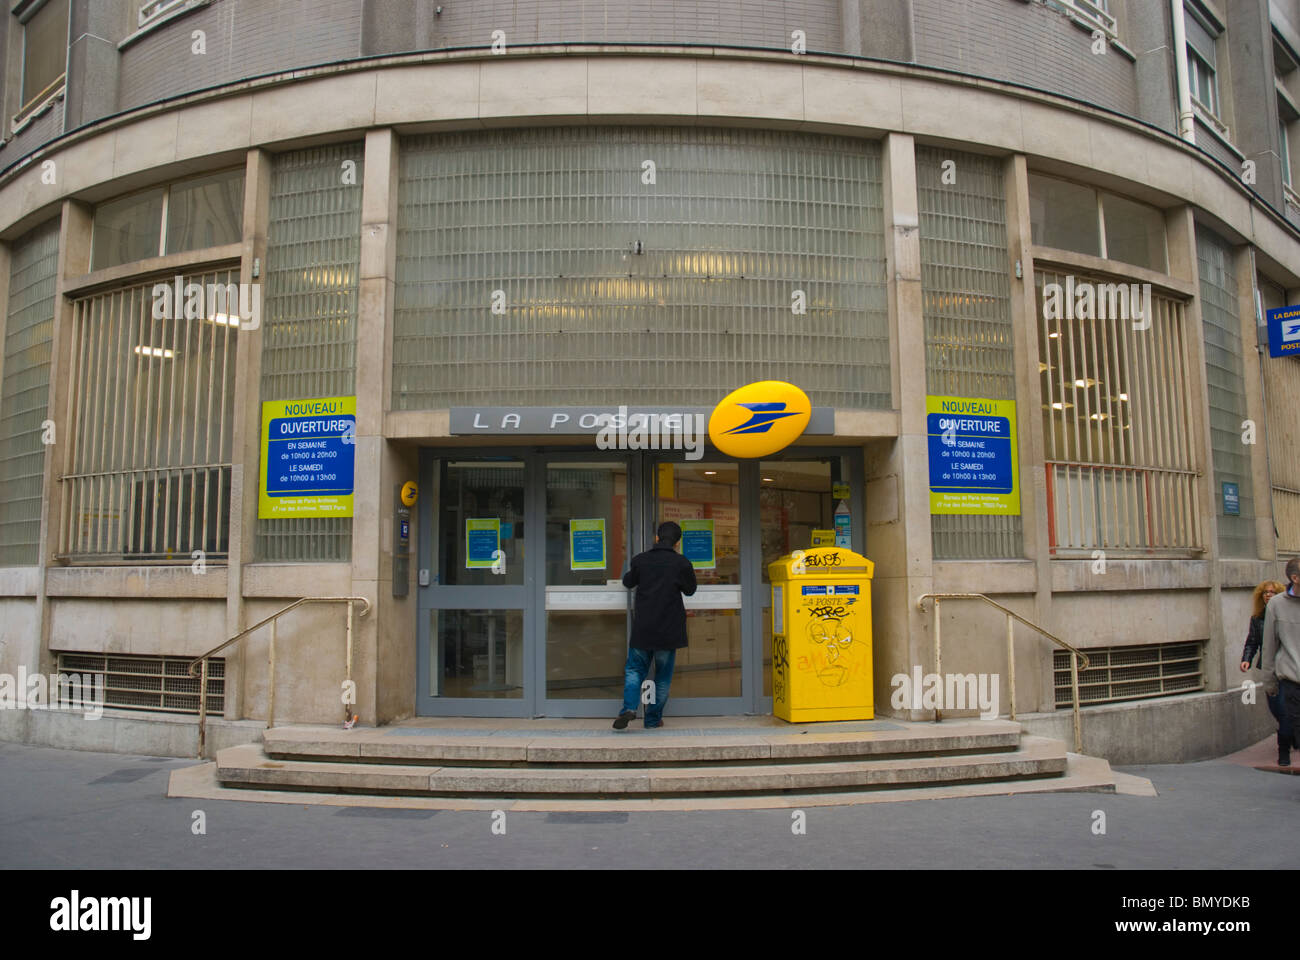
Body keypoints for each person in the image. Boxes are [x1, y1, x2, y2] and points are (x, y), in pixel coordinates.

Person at [614, 521, 697, 730]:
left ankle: (629, 709)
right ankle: (652, 720)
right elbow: (690, 590)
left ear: (657, 538)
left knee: (634, 670)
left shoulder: (640, 561)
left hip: (644, 628)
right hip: (668, 630)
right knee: (662, 676)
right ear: (677, 543)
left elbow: (627, 582)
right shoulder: (682, 563)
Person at [1240, 579, 1293, 765]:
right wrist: (1246, 659)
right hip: (1269, 668)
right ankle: (1290, 731)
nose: (1268, 595)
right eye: (1265, 592)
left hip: (1287, 668)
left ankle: (1284, 750)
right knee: (1276, 708)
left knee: (1286, 709)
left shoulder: (1286, 613)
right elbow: (1252, 641)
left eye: (1271, 592)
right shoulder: (1257, 619)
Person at [1262, 558, 1300, 767]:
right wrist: (1269, 681)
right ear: (1295, 578)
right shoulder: (1277, 604)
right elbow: (1269, 644)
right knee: (1288, 724)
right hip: (1292, 678)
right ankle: (1283, 750)